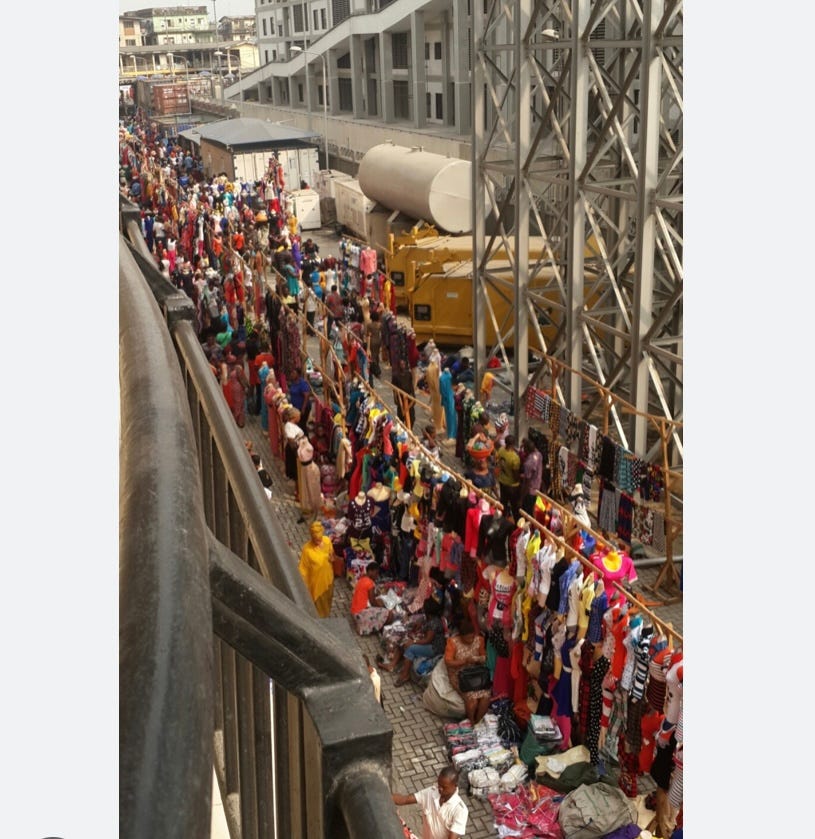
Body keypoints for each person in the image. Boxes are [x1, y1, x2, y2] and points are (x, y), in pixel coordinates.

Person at [380, 602, 446, 687]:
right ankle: (392, 665)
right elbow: (423, 632)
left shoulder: (435, 623)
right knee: (404, 641)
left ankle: (405, 675)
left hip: (434, 648)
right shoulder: (428, 619)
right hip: (428, 642)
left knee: (411, 649)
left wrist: (414, 641)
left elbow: (427, 640)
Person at [392, 766, 469, 839]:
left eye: (444, 787)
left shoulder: (460, 810)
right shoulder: (430, 793)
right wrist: (385, 796)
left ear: (455, 786)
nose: (440, 789)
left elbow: (452, 837)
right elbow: (405, 799)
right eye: (439, 785)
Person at [444, 616, 492, 724]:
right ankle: (471, 721)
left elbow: (484, 656)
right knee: (473, 701)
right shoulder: (452, 642)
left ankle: (478, 721)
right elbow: (448, 662)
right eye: (468, 638)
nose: (471, 640)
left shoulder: (479, 640)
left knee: (486, 696)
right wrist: (465, 661)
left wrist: (479, 659)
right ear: (461, 637)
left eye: (472, 637)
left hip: (475, 674)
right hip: (459, 676)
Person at [298, 521, 336, 618]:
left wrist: (332, 558)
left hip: (328, 581)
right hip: (316, 585)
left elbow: (332, 556)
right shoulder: (307, 550)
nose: (318, 542)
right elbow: (303, 570)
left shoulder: (327, 541)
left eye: (319, 539)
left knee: (327, 604)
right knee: (318, 609)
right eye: (316, 540)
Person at [350, 561, 393, 636]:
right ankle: (375, 627)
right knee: (390, 615)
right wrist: (383, 608)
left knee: (380, 602)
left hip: (354, 611)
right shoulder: (370, 583)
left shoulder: (362, 579)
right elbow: (373, 602)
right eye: (376, 573)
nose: (377, 576)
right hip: (361, 613)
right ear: (370, 571)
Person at [495, 434, 521, 521]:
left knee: (504, 503)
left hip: (502, 482)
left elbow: (497, 460)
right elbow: (515, 475)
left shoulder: (501, 450)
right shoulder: (515, 458)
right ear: (513, 444)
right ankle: (516, 524)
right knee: (515, 507)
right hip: (512, 486)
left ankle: (502, 520)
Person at [519, 437, 543, 515]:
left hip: (530, 491)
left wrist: (521, 498)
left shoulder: (528, 463)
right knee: (533, 508)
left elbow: (527, 483)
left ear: (527, 450)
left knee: (527, 512)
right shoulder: (539, 454)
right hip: (537, 486)